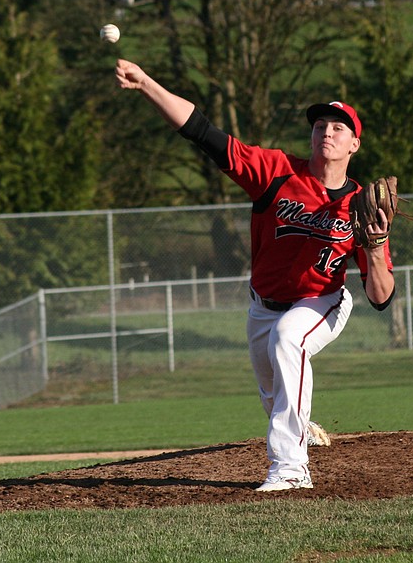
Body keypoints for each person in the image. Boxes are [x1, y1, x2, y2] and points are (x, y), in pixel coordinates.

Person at [115, 58, 396, 492]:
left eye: (339, 127)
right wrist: (147, 83)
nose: (327, 131)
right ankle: (303, 426)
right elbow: (202, 132)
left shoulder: (360, 206)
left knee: (290, 339)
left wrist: (375, 249)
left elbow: (381, 298)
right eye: (320, 124)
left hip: (322, 301)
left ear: (354, 144)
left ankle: (291, 468)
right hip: (262, 303)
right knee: (272, 391)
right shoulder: (276, 172)